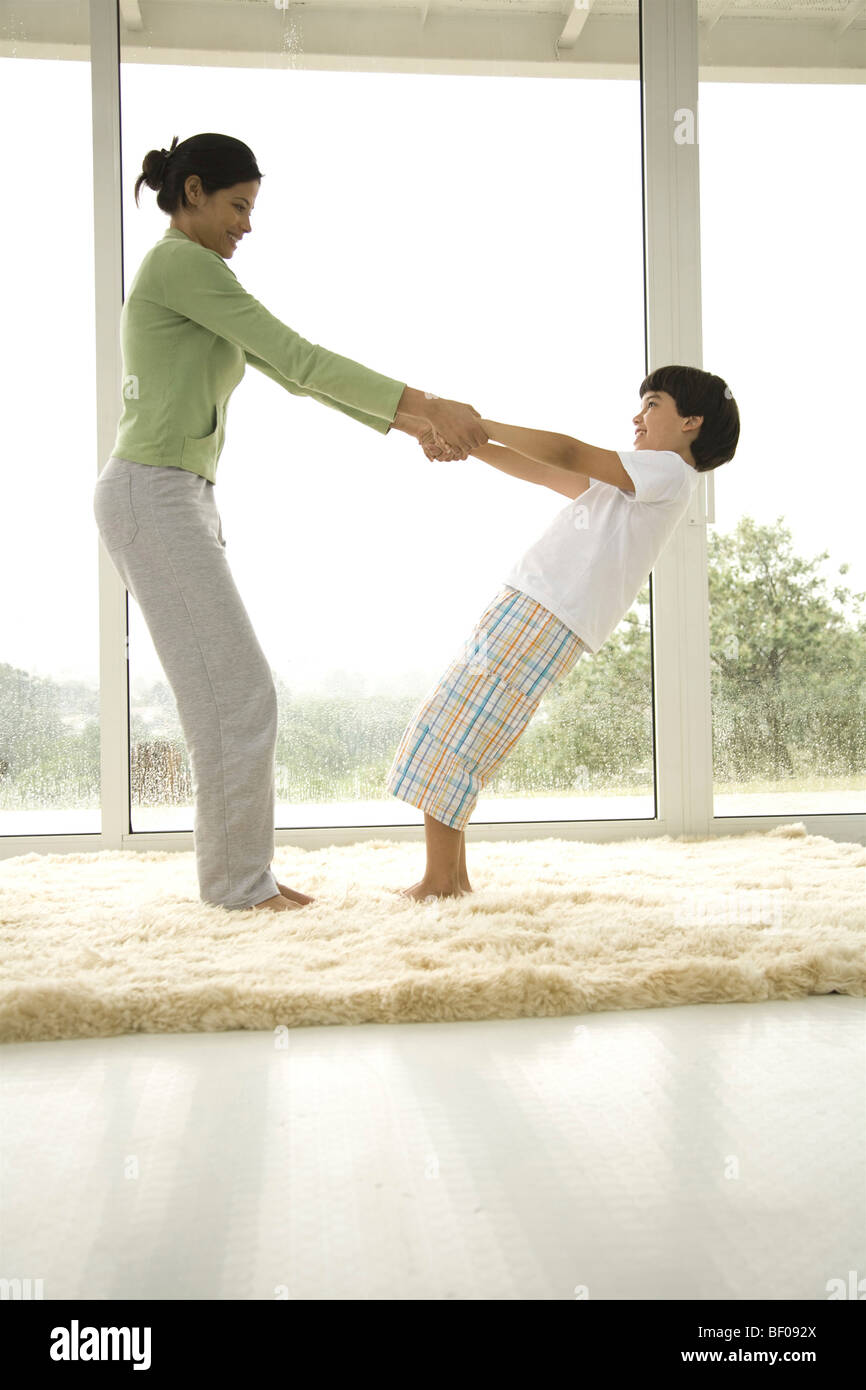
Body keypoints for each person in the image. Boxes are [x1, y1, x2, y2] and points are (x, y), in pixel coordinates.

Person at [93, 132, 488, 914]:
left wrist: (418, 429)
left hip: (179, 497)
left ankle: (243, 883)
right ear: (195, 191)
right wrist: (430, 403)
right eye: (239, 206)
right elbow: (300, 355)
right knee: (237, 697)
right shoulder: (180, 264)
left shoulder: (197, 277)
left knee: (234, 695)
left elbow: (293, 378)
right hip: (153, 494)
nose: (248, 224)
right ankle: (240, 891)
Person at [387, 366, 740, 900]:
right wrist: (463, 440)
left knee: (452, 731)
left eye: (653, 404)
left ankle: (441, 882)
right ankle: (450, 879)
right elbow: (543, 470)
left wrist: (474, 423)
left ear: (692, 422)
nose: (637, 416)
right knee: (458, 730)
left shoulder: (667, 472)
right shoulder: (638, 482)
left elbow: (569, 453)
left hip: (542, 612)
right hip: (533, 608)